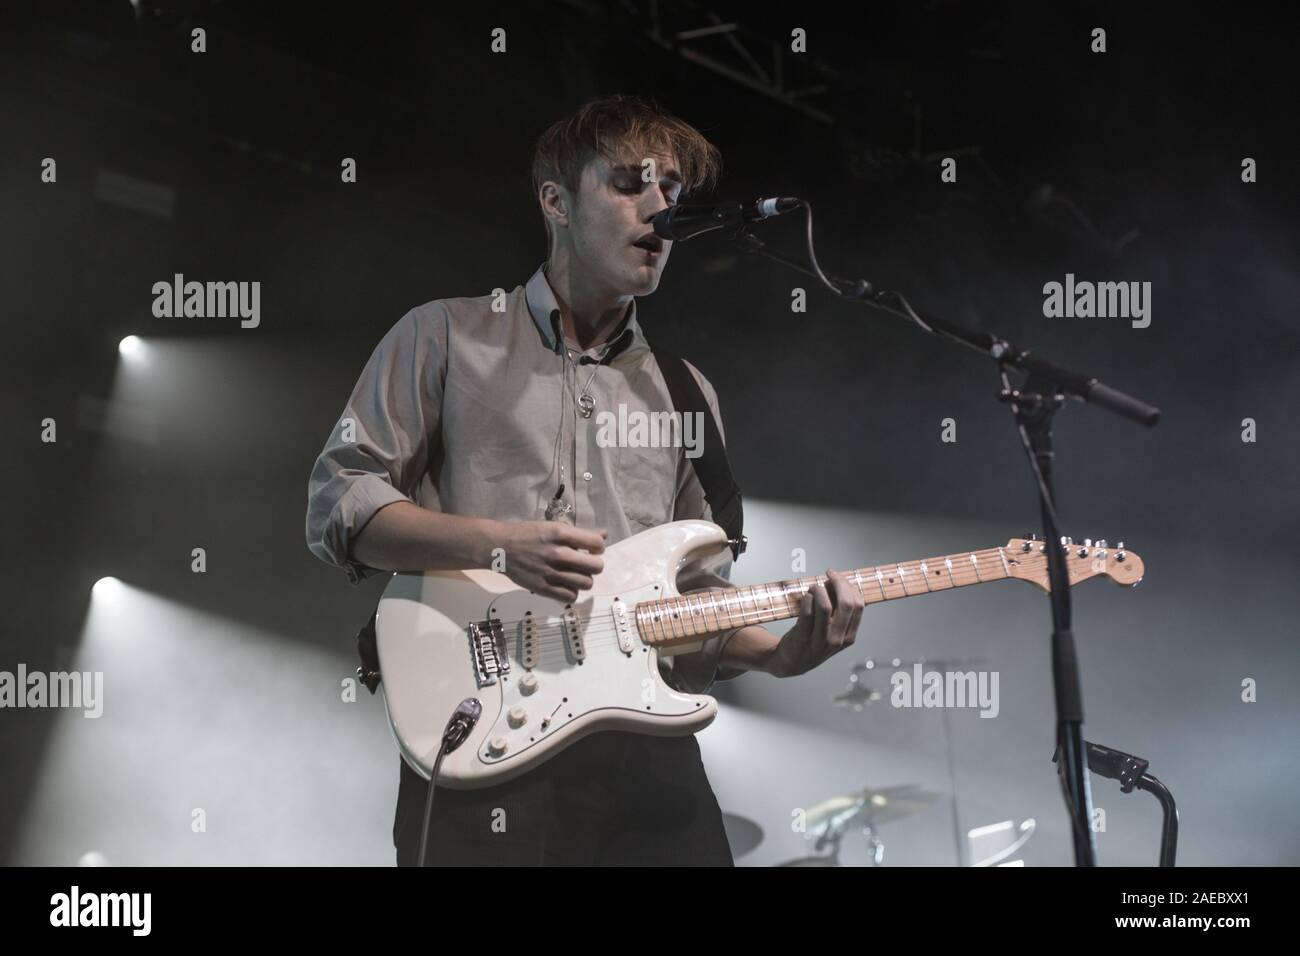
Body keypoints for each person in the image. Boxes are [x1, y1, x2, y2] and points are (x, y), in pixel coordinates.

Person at [306, 94, 864, 866]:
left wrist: (776, 655)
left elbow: (692, 600)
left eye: (672, 189)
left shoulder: (687, 391)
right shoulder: (443, 335)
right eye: (632, 183)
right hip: (480, 736)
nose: (661, 208)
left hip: (644, 752)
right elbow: (340, 503)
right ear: (556, 202)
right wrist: (500, 547)